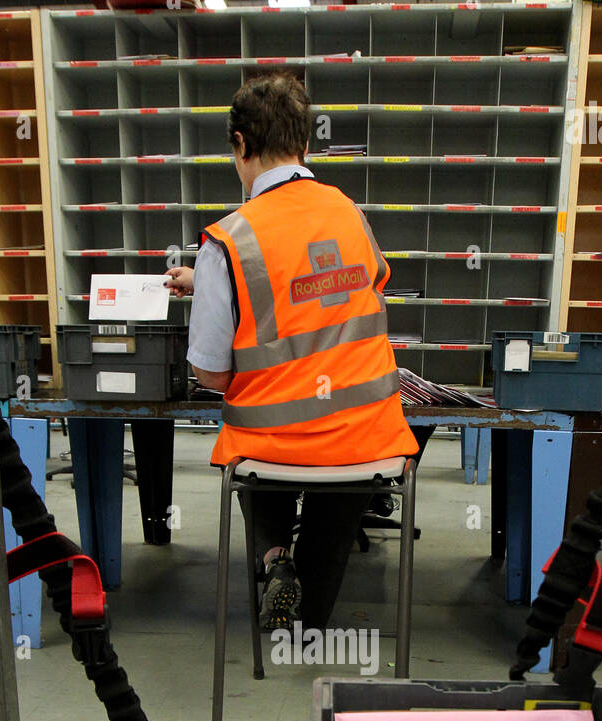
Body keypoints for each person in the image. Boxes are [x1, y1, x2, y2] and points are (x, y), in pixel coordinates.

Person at [166, 73, 417, 632]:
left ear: (239, 144)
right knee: (339, 474)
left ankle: (276, 560)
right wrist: (208, 283)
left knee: (258, 446)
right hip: (365, 435)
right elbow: (347, 285)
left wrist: (212, 287)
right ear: (305, 143)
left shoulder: (228, 240)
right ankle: (311, 623)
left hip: (272, 441)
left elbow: (210, 374)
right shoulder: (349, 213)